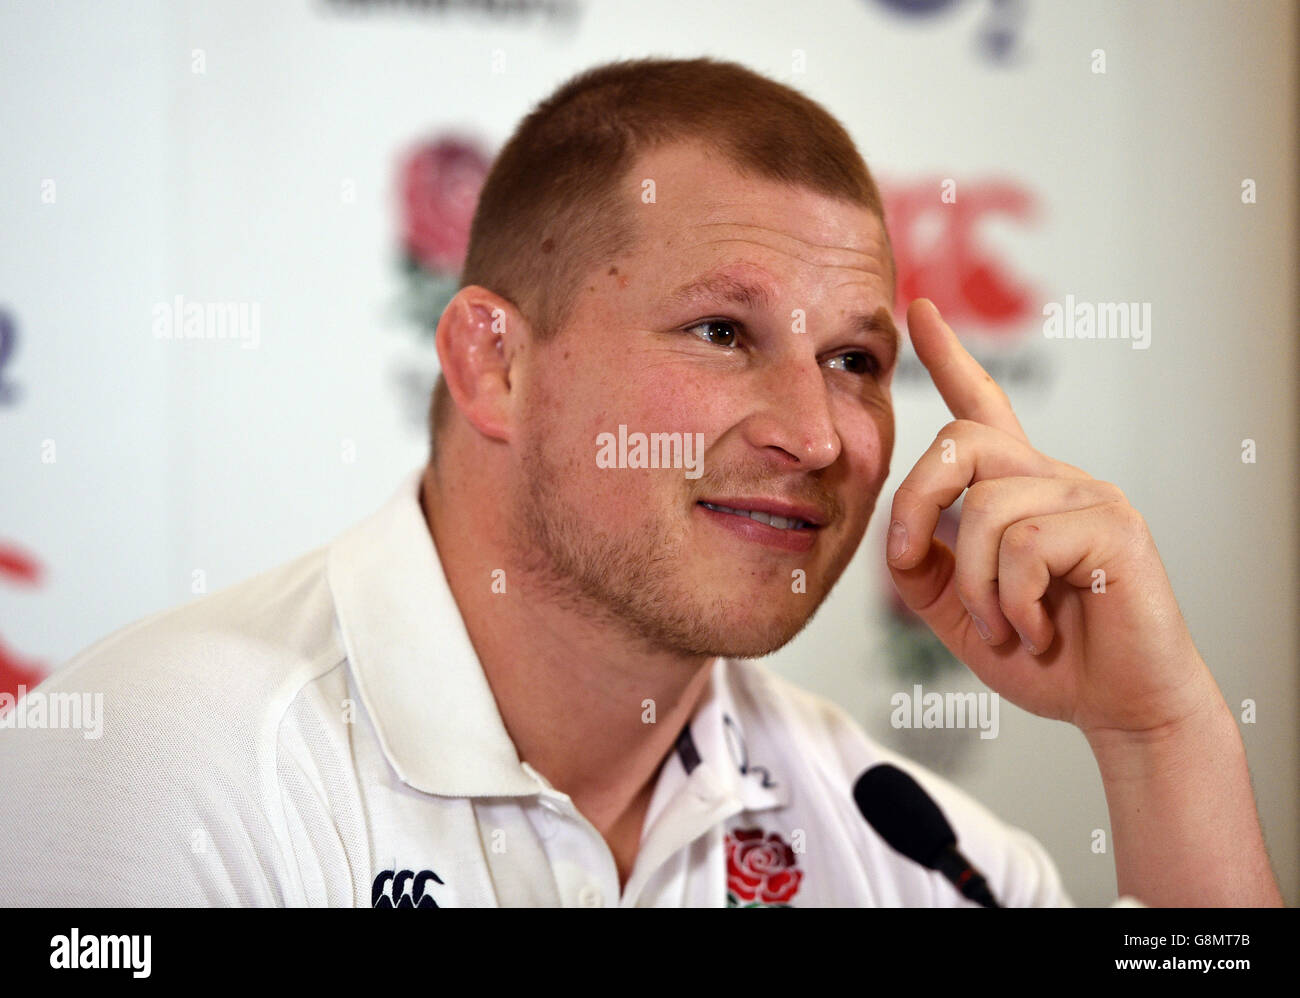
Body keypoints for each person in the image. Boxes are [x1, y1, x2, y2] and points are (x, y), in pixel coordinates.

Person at [0, 57, 1282, 908]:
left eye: (852, 358)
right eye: (722, 332)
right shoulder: (168, 766)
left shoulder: (914, 849)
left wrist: (1158, 740)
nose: (818, 434)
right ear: (492, 364)